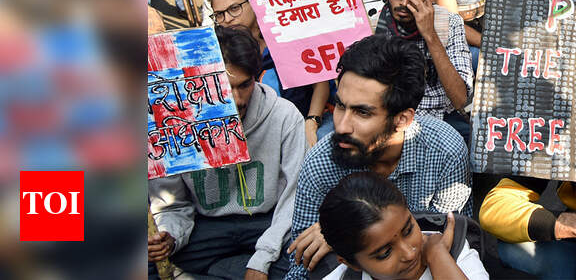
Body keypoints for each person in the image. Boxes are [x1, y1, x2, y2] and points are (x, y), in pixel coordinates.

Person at [283, 35, 472, 279]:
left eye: (362, 112)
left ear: (402, 119)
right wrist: (341, 237)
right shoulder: (320, 162)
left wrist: (350, 231)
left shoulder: (445, 150)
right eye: (340, 106)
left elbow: (452, 237)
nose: (341, 126)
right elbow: (301, 263)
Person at [149, 26, 307, 280]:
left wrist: (263, 258)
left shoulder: (284, 116)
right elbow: (172, 205)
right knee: (145, 264)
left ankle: (224, 269)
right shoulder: (172, 125)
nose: (237, 99)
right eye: (224, 87)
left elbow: (295, 196)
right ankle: (230, 268)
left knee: (309, 264)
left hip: (268, 221)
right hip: (207, 226)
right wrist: (170, 236)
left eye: (245, 85)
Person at [206, 0, 329, 146]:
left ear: (253, 2)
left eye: (234, 8)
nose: (227, 19)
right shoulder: (217, 51)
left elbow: (320, 84)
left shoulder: (285, 35)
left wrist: (311, 122)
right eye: (219, 14)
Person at [320, 172, 489, 280]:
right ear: (352, 264)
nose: (409, 253)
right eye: (385, 253)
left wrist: (438, 256)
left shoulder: (455, 254)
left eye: (408, 230)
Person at [375, 0, 473, 127]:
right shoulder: (374, 27)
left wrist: (430, 35)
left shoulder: (450, 23)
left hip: (443, 117)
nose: (405, 3)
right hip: (390, 117)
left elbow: (461, 100)